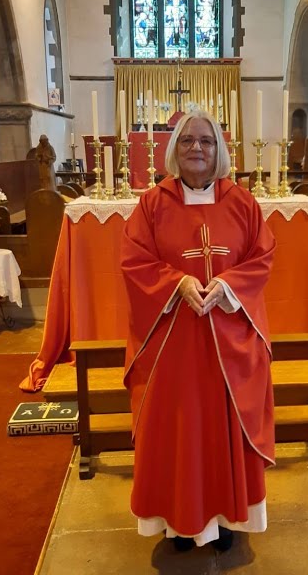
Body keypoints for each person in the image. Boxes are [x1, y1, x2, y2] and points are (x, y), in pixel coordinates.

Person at [119, 109, 276, 554]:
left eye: (206, 141)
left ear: (219, 149)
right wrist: (176, 283)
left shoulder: (242, 202)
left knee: (220, 427)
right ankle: (177, 523)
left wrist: (228, 285)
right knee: (179, 428)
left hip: (228, 335)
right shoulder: (153, 204)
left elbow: (262, 257)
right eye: (187, 141)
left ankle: (225, 519)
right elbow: (133, 259)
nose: (196, 149)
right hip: (174, 340)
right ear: (174, 149)